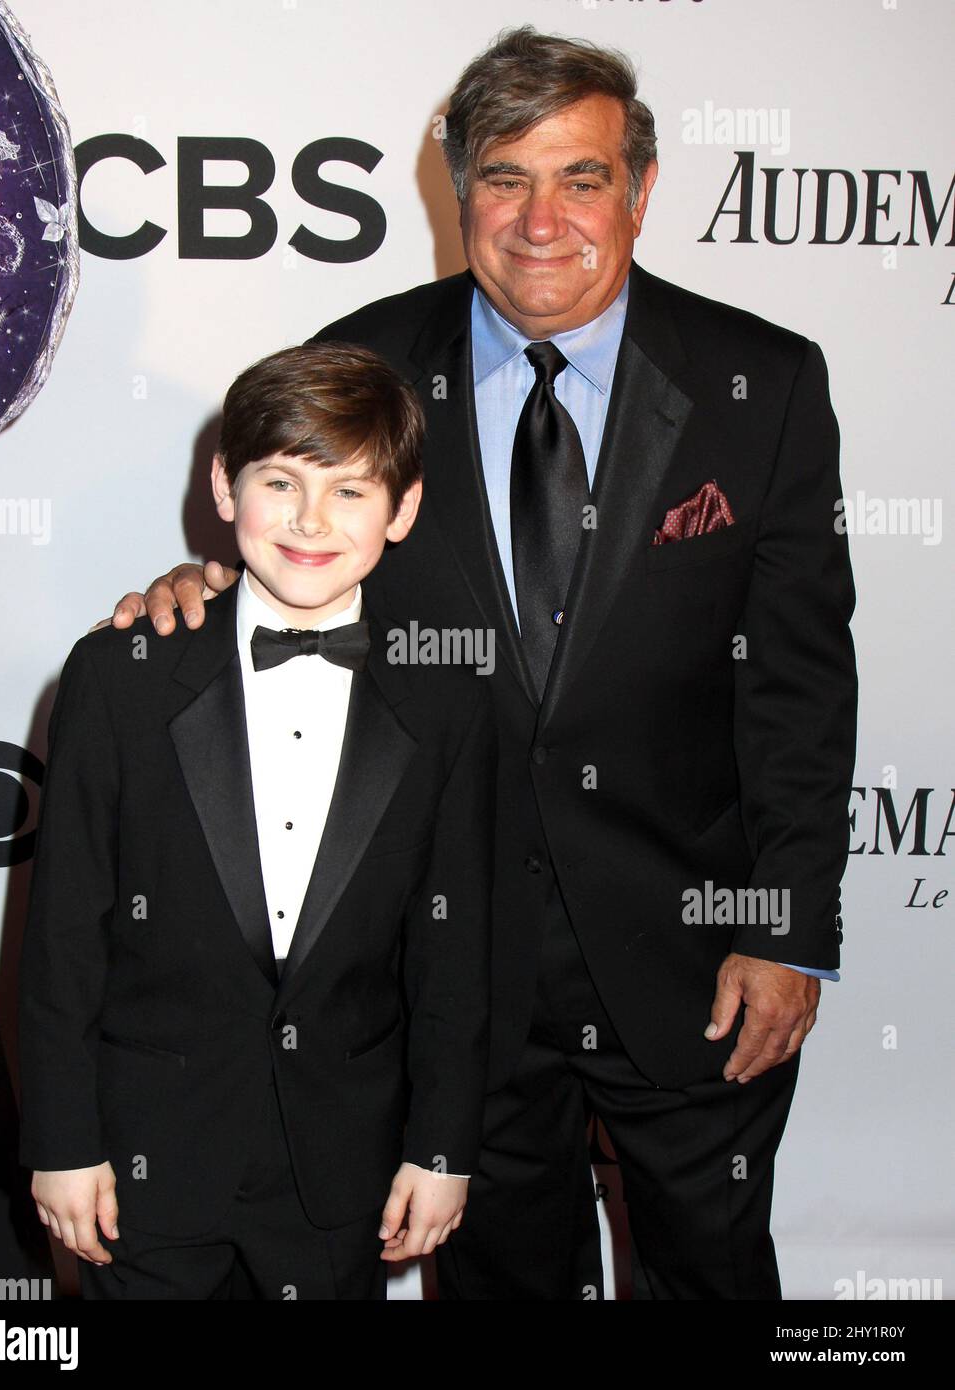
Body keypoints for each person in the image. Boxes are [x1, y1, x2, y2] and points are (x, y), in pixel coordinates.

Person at [105, 27, 857, 1299]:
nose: (540, 218)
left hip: (694, 951)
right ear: (458, 195)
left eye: (581, 177)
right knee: (504, 1280)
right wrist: (205, 585)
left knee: (712, 1269)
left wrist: (786, 926)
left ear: (640, 188)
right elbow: (304, 552)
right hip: (451, 958)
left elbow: (796, 681)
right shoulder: (367, 364)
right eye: (504, 177)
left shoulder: (759, 383)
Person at [17, 342, 497, 1299]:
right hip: (142, 1165)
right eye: (281, 482)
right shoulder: (121, 677)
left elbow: (458, 949)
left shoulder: (447, 693)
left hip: (341, 1167)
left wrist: (442, 1148)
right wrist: (61, 1141)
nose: (311, 521)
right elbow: (64, 932)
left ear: (402, 510)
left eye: (352, 492)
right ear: (223, 488)